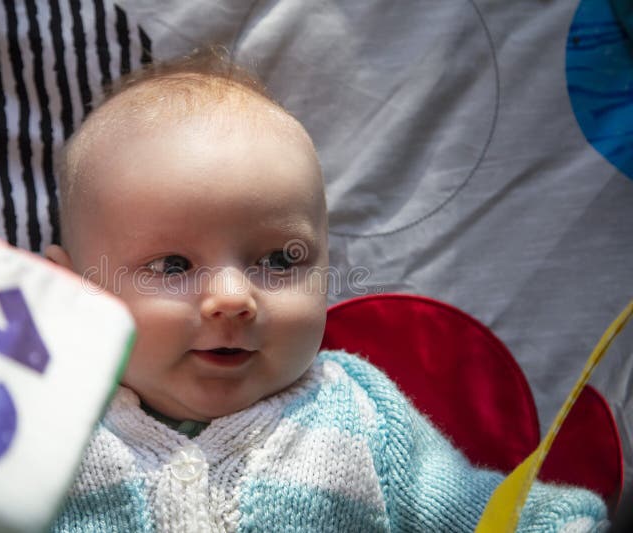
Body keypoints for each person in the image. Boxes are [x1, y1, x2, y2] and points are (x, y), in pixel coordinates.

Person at [44, 49, 607, 532]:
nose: (234, 298)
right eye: (172, 265)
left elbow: (500, 516)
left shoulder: (362, 417)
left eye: (278, 259)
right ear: (70, 290)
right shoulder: (43, 424)